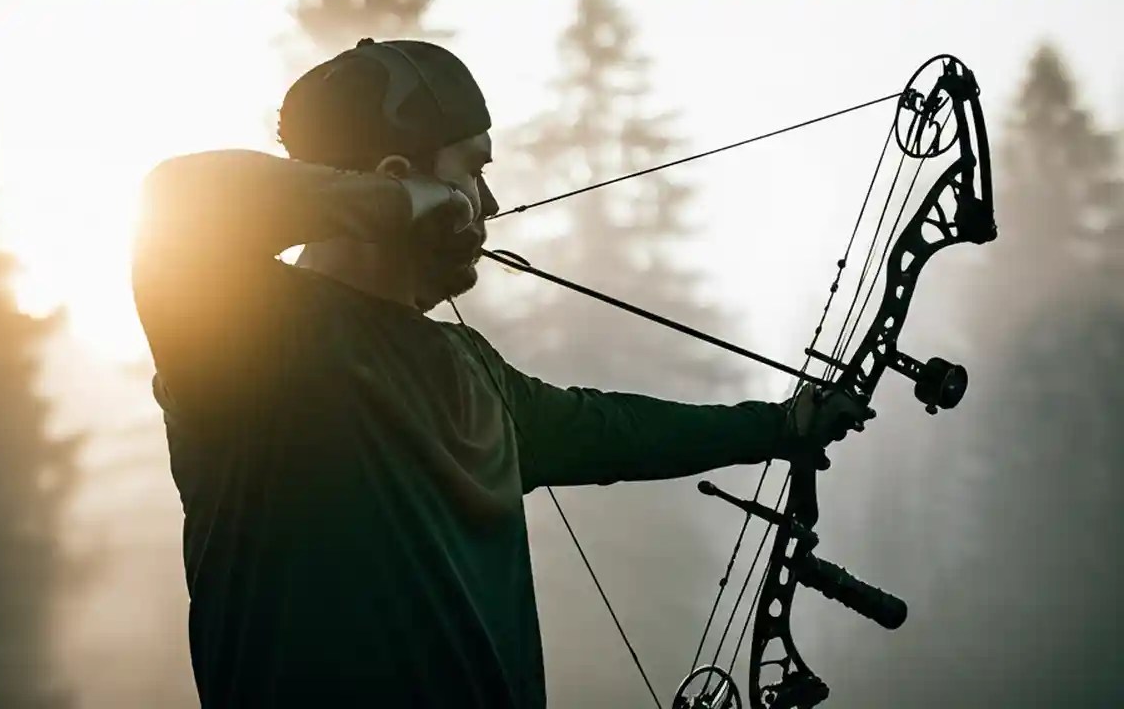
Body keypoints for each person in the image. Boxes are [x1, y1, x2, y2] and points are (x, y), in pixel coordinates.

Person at [131, 38, 871, 708]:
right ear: (397, 179)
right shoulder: (244, 331)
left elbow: (614, 428)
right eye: (472, 172)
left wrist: (781, 426)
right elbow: (180, 202)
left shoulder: (472, 373)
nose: (488, 203)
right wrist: (394, 205)